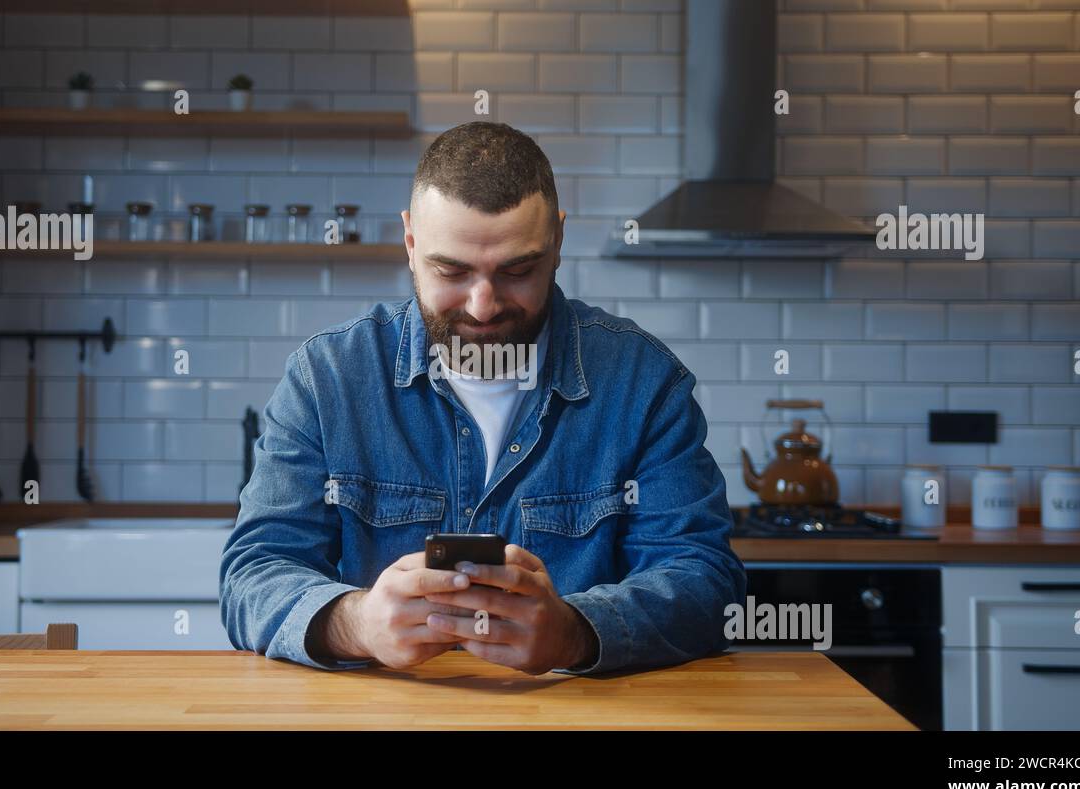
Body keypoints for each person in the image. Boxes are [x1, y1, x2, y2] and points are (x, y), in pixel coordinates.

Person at [221, 121, 745, 675]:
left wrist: (576, 633)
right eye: (452, 270)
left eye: (518, 270)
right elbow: (255, 573)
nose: (483, 306)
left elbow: (705, 579)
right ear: (410, 243)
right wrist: (359, 623)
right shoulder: (328, 378)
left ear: (559, 243)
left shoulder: (644, 384)